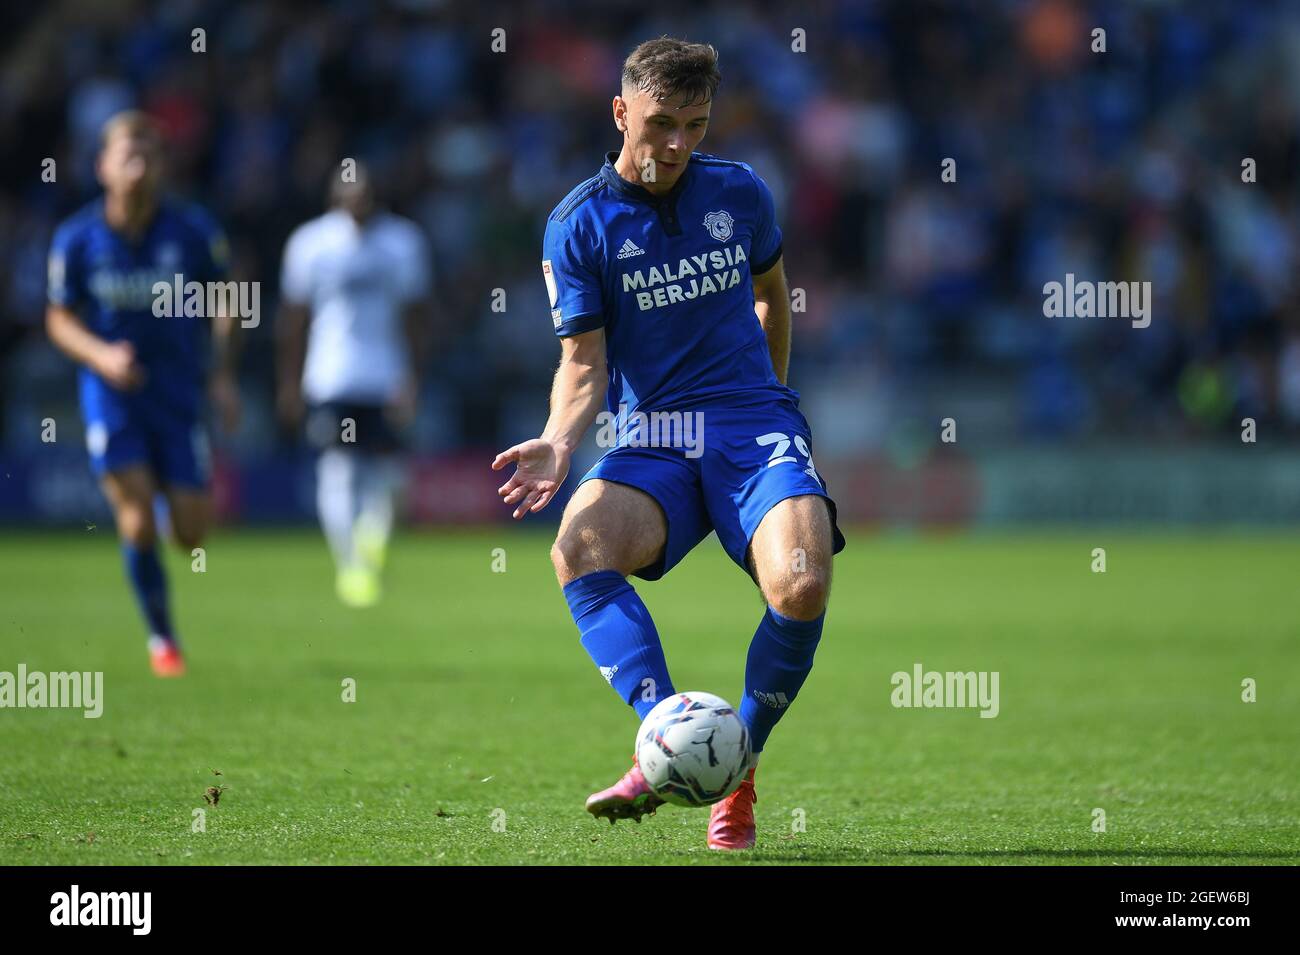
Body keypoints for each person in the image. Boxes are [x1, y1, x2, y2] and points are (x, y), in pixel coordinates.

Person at [492, 37, 846, 850]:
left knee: (801, 583)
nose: (679, 145)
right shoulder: (578, 225)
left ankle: (738, 767)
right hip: (652, 434)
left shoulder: (741, 192)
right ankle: (667, 740)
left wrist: (774, 403)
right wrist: (555, 440)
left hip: (751, 423)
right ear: (621, 113)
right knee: (578, 545)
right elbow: (583, 364)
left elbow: (773, 295)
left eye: (695, 125)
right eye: (661, 125)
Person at [46, 110, 240, 677]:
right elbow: (58, 320)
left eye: (150, 153)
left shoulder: (194, 231)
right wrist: (102, 356)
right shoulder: (77, 239)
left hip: (178, 394)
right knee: (134, 520)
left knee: (191, 533)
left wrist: (223, 374)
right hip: (113, 395)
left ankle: (164, 498)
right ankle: (163, 640)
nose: (140, 162)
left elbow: (228, 299)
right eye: (128, 151)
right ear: (102, 166)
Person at [276, 166, 431, 607]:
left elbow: (417, 318)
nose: (359, 199)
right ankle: (351, 566)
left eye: (366, 191)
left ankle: (369, 540)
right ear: (335, 195)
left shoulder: (403, 243)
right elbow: (293, 319)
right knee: (337, 469)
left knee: (392, 476)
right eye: (351, 191)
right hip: (330, 377)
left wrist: (414, 377)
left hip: (385, 376)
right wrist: (289, 382)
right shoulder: (310, 244)